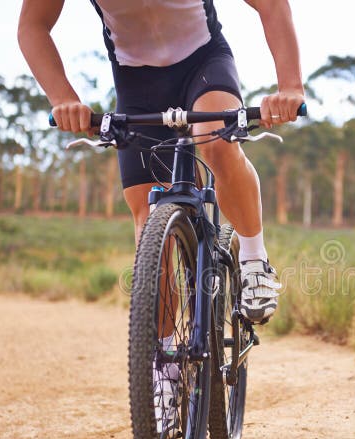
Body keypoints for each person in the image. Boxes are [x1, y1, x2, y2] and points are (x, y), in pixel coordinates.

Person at [17, 0, 304, 324]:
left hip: (204, 64)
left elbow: (271, 5)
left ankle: (254, 259)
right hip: (137, 86)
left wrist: (290, 86)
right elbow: (33, 25)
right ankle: (162, 366)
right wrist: (63, 98)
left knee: (218, 144)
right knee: (149, 220)